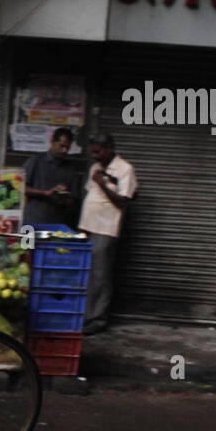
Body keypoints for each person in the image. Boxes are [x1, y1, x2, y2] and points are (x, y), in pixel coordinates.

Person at [77, 131, 136, 335]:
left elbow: (123, 201)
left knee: (101, 276)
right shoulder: (96, 167)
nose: (95, 155)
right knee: (87, 273)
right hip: (88, 226)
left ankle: (98, 319)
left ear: (109, 148)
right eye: (92, 151)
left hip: (105, 228)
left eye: (98, 151)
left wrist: (102, 184)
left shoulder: (124, 169)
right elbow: (90, 195)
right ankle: (84, 316)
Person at [22, 127, 80, 228]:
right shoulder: (35, 161)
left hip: (57, 224)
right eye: (61, 146)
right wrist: (45, 193)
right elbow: (21, 188)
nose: (64, 150)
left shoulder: (70, 169)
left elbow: (73, 200)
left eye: (67, 147)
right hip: (33, 221)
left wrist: (64, 197)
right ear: (52, 141)